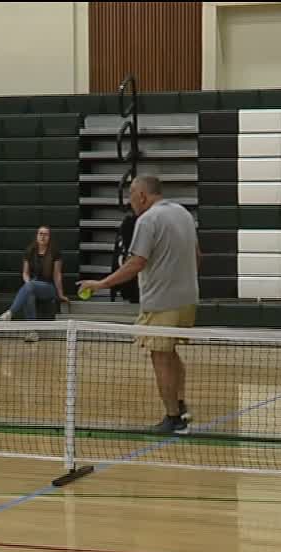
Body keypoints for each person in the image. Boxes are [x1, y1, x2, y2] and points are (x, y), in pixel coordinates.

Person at [78, 176, 200, 434]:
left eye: (132, 195)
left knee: (160, 356)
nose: (130, 202)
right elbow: (197, 256)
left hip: (162, 303)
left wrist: (101, 284)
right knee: (170, 353)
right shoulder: (183, 213)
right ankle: (180, 406)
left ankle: (173, 419)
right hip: (188, 299)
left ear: (142, 195)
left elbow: (136, 263)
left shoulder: (147, 220)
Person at [0, 225, 69, 341]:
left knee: (30, 287)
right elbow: (25, 273)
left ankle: (10, 313)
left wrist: (60, 294)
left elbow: (57, 274)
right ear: (36, 236)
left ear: (50, 237)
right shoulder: (30, 251)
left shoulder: (55, 252)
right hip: (33, 284)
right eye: (40, 234)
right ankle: (32, 331)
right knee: (29, 295)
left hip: (49, 288)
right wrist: (29, 284)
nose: (43, 237)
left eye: (46, 234)